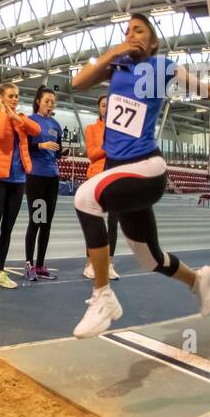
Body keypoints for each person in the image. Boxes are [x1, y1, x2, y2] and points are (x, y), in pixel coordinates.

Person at [70, 12, 210, 338]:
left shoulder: (158, 69)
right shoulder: (117, 68)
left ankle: (103, 298)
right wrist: (114, 53)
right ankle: (197, 281)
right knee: (150, 258)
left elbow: (202, 88)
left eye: (139, 30)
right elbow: (77, 82)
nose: (131, 35)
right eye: (127, 30)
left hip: (146, 167)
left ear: (153, 41)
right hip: (118, 171)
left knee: (84, 198)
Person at [0, 82, 40, 293]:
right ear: (1, 97)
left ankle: (0, 271)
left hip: (18, 180)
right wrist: (4, 112)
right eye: (10, 96)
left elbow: (37, 129)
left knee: (8, 228)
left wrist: (16, 116)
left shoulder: (21, 118)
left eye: (16, 96)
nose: (15, 99)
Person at [24, 86, 63, 281]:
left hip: (52, 178)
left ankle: (40, 265)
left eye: (53, 102)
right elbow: (24, 147)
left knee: (46, 223)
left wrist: (58, 154)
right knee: (36, 221)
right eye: (47, 101)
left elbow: (57, 151)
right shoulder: (31, 122)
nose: (50, 104)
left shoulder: (56, 125)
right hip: (36, 177)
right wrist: (40, 145)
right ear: (38, 101)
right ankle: (30, 265)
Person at [81, 95, 119, 281]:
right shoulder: (91, 129)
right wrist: (109, 146)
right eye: (104, 105)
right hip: (95, 179)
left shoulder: (121, 130)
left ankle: (108, 264)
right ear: (99, 108)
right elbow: (92, 154)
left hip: (115, 179)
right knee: (94, 223)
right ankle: (90, 264)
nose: (107, 108)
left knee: (113, 223)